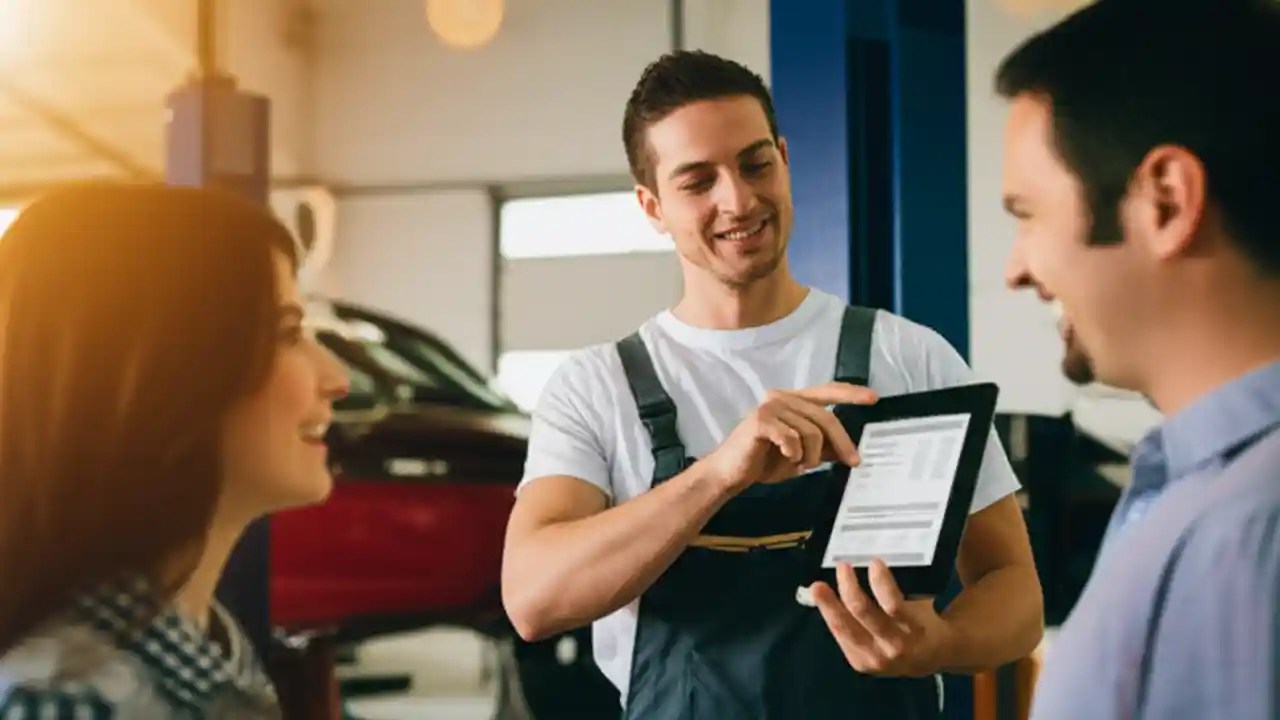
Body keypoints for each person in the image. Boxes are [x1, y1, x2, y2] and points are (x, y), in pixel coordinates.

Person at [502, 50, 1043, 718]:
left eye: (756, 163)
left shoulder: (908, 357)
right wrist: (719, 474)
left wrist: (942, 642)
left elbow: (1014, 589)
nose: (739, 199)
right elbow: (533, 600)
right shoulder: (595, 387)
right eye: (698, 181)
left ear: (784, 159)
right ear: (653, 206)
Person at [996, 1, 1280, 718]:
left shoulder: (1248, 536)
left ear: (1165, 201)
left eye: (1027, 214)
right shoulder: (1195, 494)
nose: (1016, 269)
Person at [0, 184, 349, 718]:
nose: (337, 378)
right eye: (288, 333)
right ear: (166, 372)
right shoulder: (67, 699)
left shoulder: (203, 639)